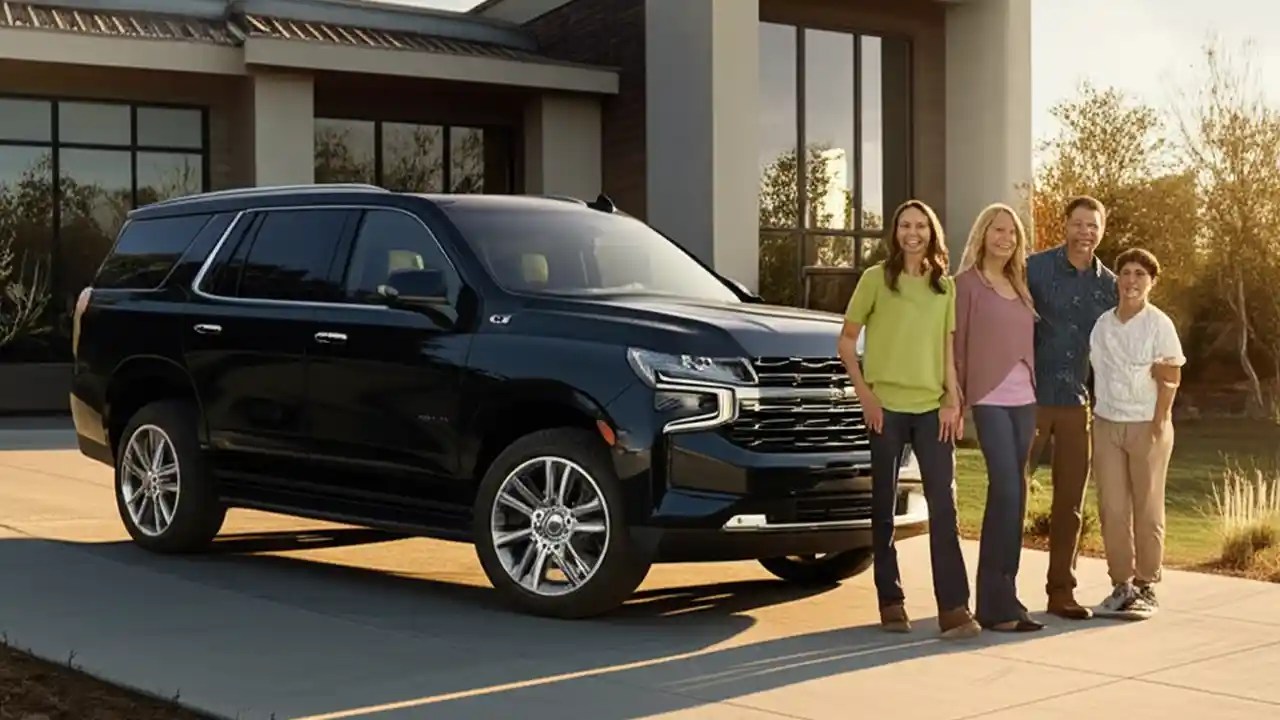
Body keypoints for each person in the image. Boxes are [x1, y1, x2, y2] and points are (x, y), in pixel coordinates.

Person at [837, 199, 980, 639]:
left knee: (944, 505)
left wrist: (953, 400)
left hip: (932, 408)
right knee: (883, 505)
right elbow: (846, 342)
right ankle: (890, 600)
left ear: (931, 232)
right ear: (895, 232)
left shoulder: (945, 287)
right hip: (886, 409)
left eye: (920, 225)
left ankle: (954, 608)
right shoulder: (876, 279)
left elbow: (946, 350)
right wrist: (866, 397)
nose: (912, 232)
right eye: (904, 225)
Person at [1025, 195, 1118, 620]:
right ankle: (998, 589)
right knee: (1012, 494)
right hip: (1028, 398)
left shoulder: (1110, 285)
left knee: (1071, 504)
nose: (1085, 232)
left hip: (1077, 404)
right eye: (1078, 224)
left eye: (1093, 226)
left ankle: (1061, 591)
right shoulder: (1034, 268)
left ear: (1102, 230)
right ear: (1065, 226)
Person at [953, 203, 1044, 632]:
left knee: (1017, 493)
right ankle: (991, 603)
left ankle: (1007, 596)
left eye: (1012, 232)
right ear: (983, 234)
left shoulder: (1020, 284)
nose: (1005, 238)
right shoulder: (965, 286)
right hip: (988, 398)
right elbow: (953, 347)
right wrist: (953, 397)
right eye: (998, 230)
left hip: (1025, 399)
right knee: (1005, 487)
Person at [1088, 248, 1184, 619]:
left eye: (1140, 275)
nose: (1131, 281)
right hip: (1107, 422)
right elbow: (1097, 371)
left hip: (1147, 424)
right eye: (1126, 273)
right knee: (1112, 507)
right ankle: (1121, 585)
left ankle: (1146, 585)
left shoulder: (1159, 325)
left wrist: (1159, 423)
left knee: (1146, 506)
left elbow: (1170, 379)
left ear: (1151, 282)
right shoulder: (1103, 325)